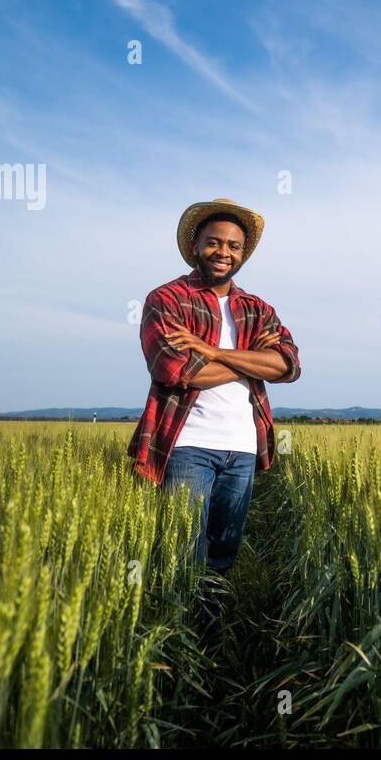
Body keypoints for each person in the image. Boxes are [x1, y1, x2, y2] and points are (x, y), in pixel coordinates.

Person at [128, 199, 301, 574]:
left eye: (233, 246)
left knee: (223, 557)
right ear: (195, 246)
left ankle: (210, 631)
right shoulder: (167, 300)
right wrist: (250, 360)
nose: (223, 252)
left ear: (242, 254)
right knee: (183, 553)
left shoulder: (257, 308)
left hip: (242, 448)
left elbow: (288, 364)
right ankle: (180, 627)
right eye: (214, 242)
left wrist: (212, 352)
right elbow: (175, 371)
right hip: (186, 445)